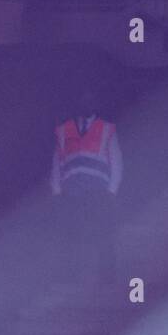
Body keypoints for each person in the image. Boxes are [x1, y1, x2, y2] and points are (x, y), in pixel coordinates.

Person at [51, 88, 121, 284]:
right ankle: (71, 275)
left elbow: (116, 161)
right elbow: (57, 160)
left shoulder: (106, 129)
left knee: (104, 232)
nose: (86, 104)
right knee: (72, 233)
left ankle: (107, 276)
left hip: (98, 190)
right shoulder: (65, 130)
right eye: (83, 100)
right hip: (72, 191)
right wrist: (57, 189)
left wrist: (111, 190)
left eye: (90, 100)